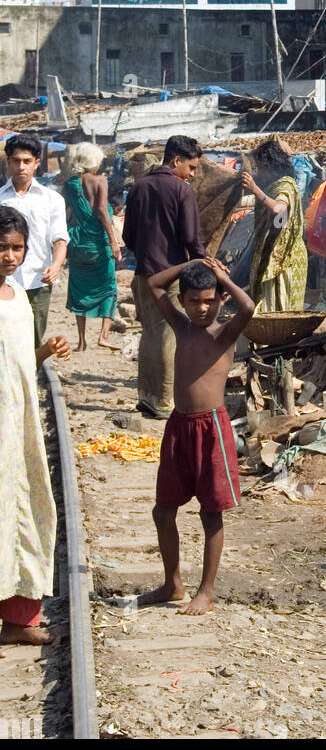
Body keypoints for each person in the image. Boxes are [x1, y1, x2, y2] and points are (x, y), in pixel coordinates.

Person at [137, 257, 254, 616]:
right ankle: (173, 583)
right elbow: (155, 285)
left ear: (220, 299)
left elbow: (248, 306)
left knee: (211, 513)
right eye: (193, 301)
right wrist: (191, 262)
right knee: (163, 511)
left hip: (212, 429)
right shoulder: (181, 326)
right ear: (183, 301)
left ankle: (206, 590)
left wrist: (220, 277)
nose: (202, 308)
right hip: (179, 426)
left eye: (209, 300)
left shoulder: (223, 334)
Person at [0, 204, 70, 644]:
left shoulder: (19, 297)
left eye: (17, 248)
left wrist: (45, 351)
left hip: (18, 423)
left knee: (23, 507)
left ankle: (18, 619)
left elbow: (19, 360)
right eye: (3, 247)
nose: (10, 256)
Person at [122, 135, 206, 418]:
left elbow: (128, 236)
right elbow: (191, 238)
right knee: (168, 337)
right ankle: (163, 401)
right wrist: (204, 263)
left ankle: (147, 396)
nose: (192, 175)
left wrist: (146, 252)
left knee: (149, 332)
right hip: (169, 274)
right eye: (191, 168)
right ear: (176, 161)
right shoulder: (181, 191)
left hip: (143, 273)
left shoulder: (139, 187)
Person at [0, 133, 68, 345]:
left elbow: (59, 240)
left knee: (33, 341)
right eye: (16, 161)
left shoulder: (52, 200)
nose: (21, 167)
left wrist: (56, 266)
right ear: (8, 162)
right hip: (4, 281)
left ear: (36, 163)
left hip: (37, 282)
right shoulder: (1, 198)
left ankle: (31, 378)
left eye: (27, 161)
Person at [61, 143, 123, 352]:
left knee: (79, 289)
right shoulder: (99, 180)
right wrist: (113, 241)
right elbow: (101, 211)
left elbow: (67, 213)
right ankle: (103, 336)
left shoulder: (69, 184)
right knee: (109, 289)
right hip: (98, 243)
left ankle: (81, 342)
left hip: (78, 243)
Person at [243, 168, 307, 311]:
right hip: (270, 250)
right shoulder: (272, 186)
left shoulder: (285, 186)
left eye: (260, 167)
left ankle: (282, 332)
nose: (258, 172)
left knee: (282, 305)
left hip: (286, 256)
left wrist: (255, 189)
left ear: (269, 165)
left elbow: (279, 209)